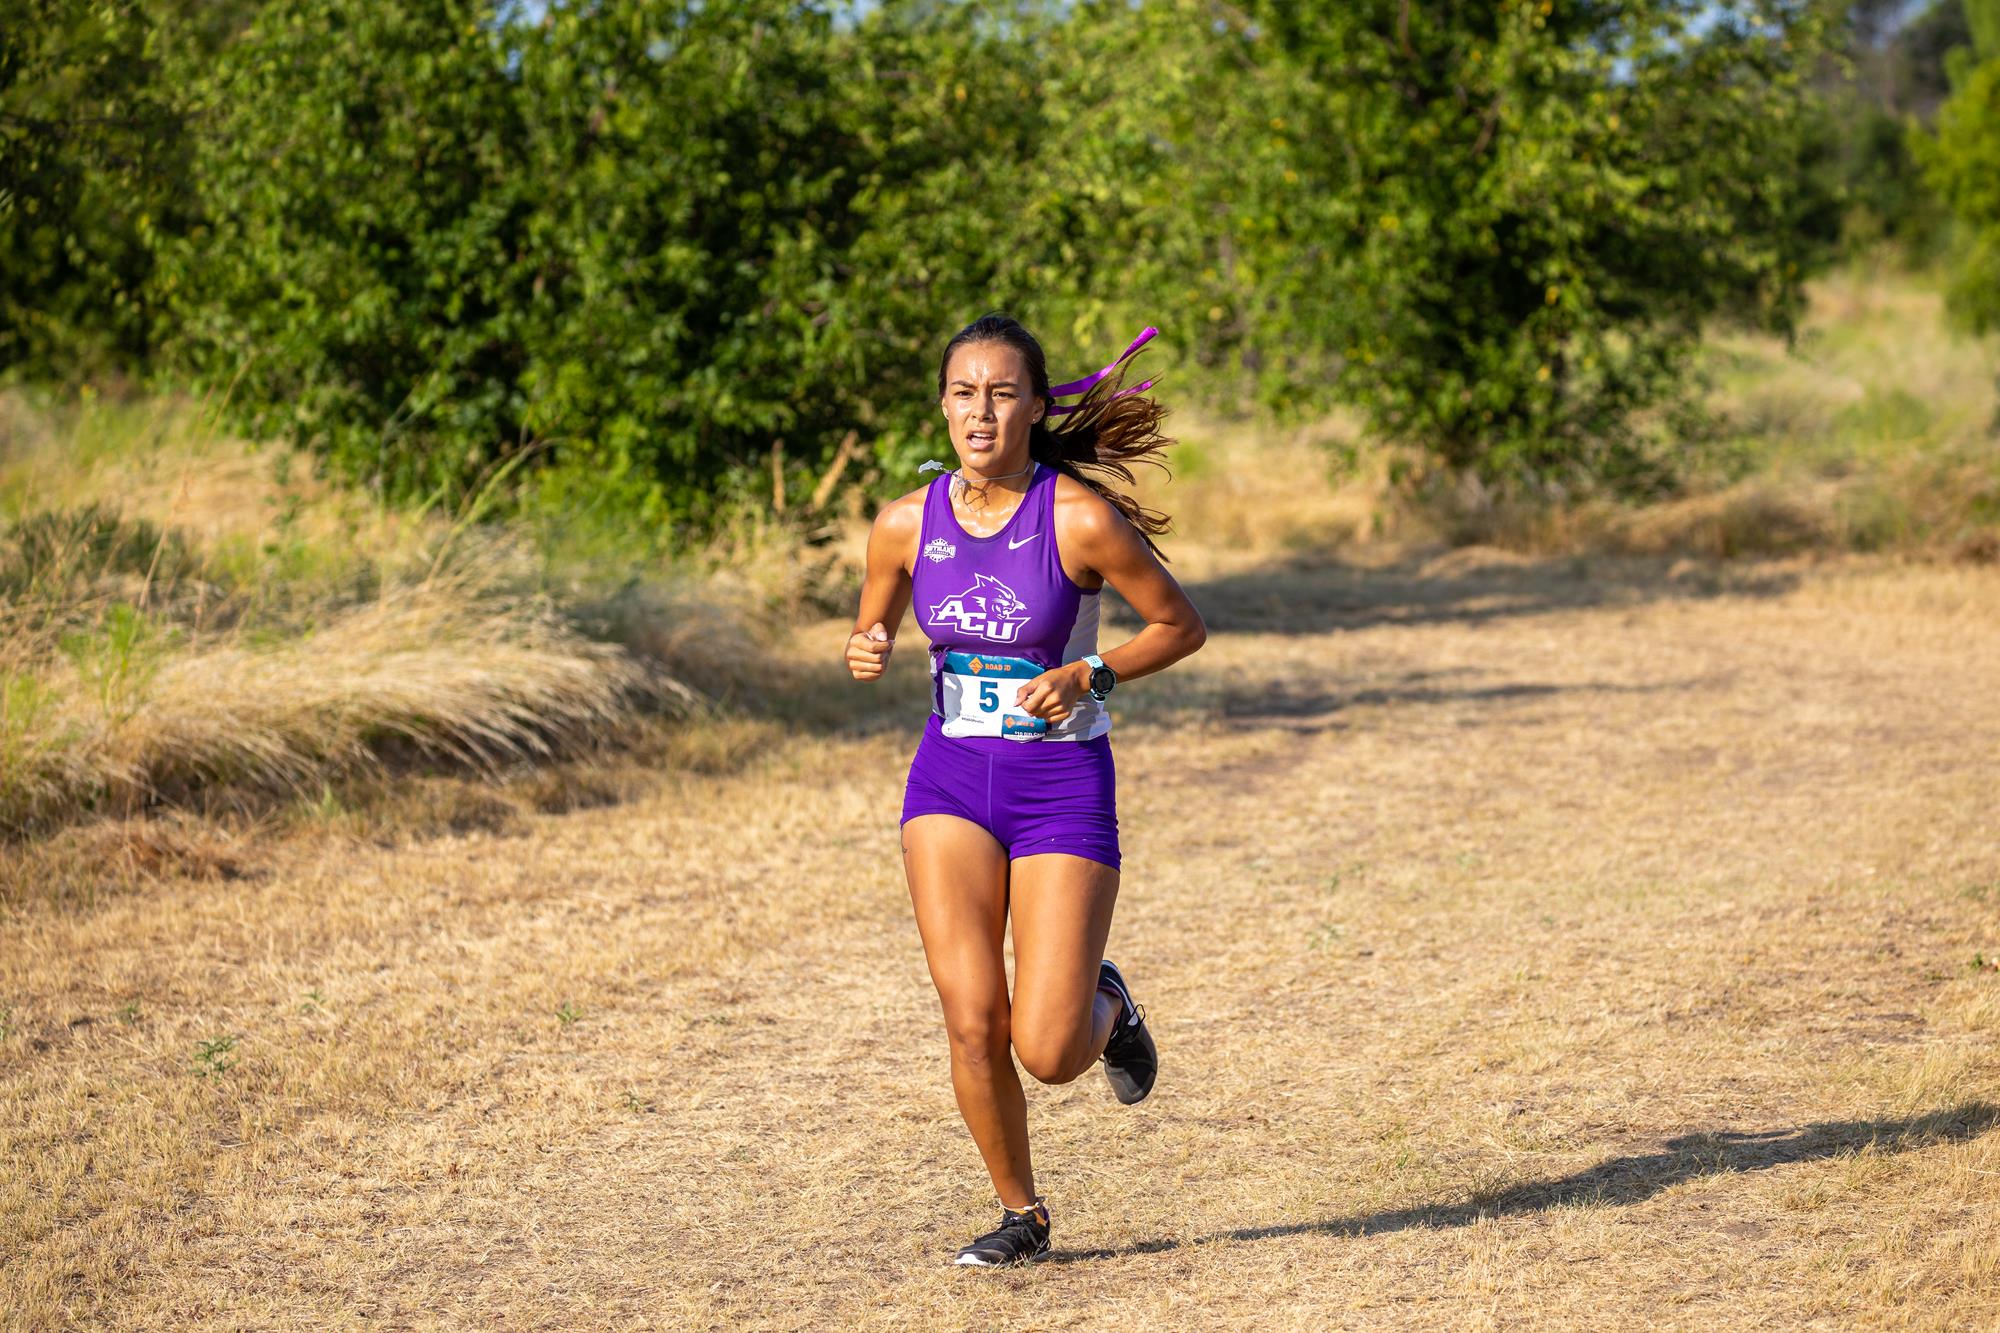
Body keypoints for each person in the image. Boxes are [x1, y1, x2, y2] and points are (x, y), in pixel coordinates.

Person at [844, 313, 1207, 1267]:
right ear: (943, 405)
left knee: (1047, 1049)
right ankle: (1023, 1215)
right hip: (951, 780)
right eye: (964, 392)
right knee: (972, 1018)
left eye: (1003, 393)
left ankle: (1109, 1005)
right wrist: (867, 643)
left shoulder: (1078, 516)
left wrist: (1095, 673)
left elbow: (1179, 624)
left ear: (1035, 407)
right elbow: (873, 620)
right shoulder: (902, 521)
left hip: (1059, 784)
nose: (981, 411)